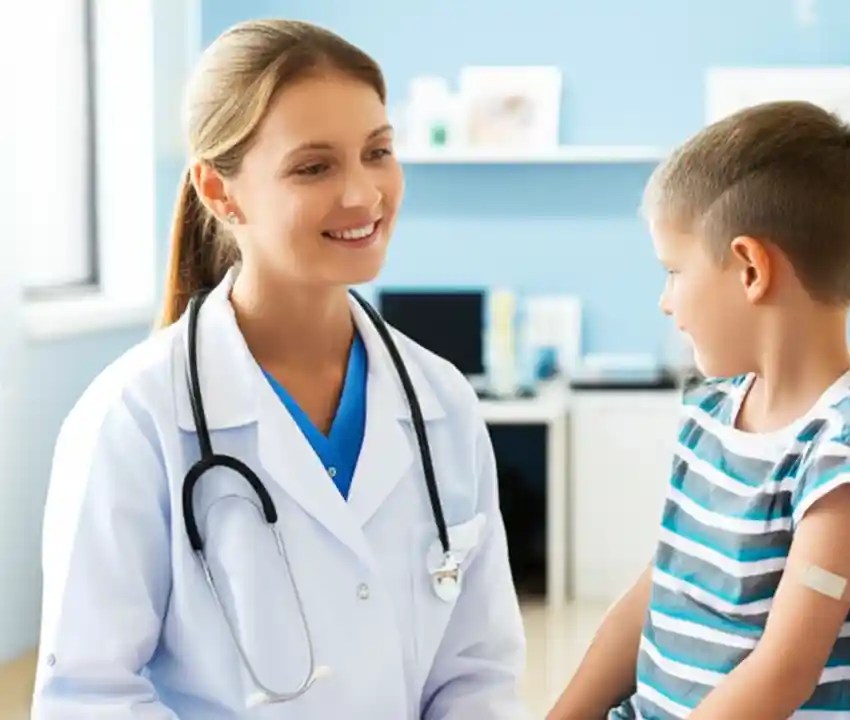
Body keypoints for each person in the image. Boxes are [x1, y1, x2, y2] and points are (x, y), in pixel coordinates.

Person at [31, 19, 527, 719]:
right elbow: (89, 694)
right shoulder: (136, 414)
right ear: (219, 191)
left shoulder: (438, 398)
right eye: (314, 166)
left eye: (377, 152)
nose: (363, 195)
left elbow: (478, 673)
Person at [549, 101, 850, 719]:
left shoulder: (846, 461)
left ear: (749, 268)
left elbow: (783, 674)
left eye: (673, 271)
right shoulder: (710, 412)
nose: (666, 301)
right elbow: (655, 593)